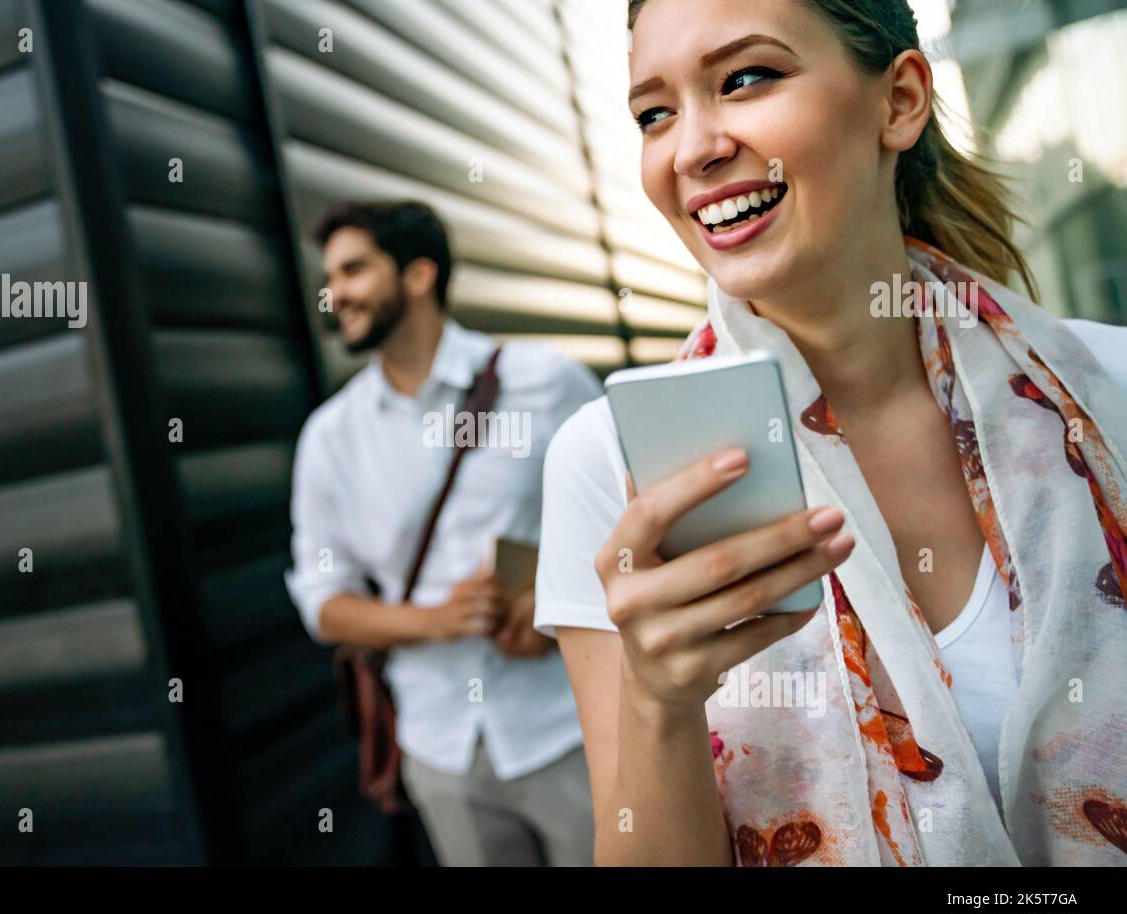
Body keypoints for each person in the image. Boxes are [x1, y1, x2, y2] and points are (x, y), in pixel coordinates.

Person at [534, 0, 1127, 866]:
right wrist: (660, 700)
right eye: (653, 113)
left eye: (746, 77)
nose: (692, 149)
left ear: (899, 102)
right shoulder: (611, 466)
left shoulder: (1107, 393)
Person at [285, 200, 602, 865]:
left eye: (352, 270)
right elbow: (323, 601)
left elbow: (628, 529)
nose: (334, 292)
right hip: (439, 752)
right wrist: (435, 620)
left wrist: (551, 604)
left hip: (572, 726)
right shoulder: (329, 438)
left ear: (419, 275)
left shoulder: (546, 383)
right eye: (331, 276)